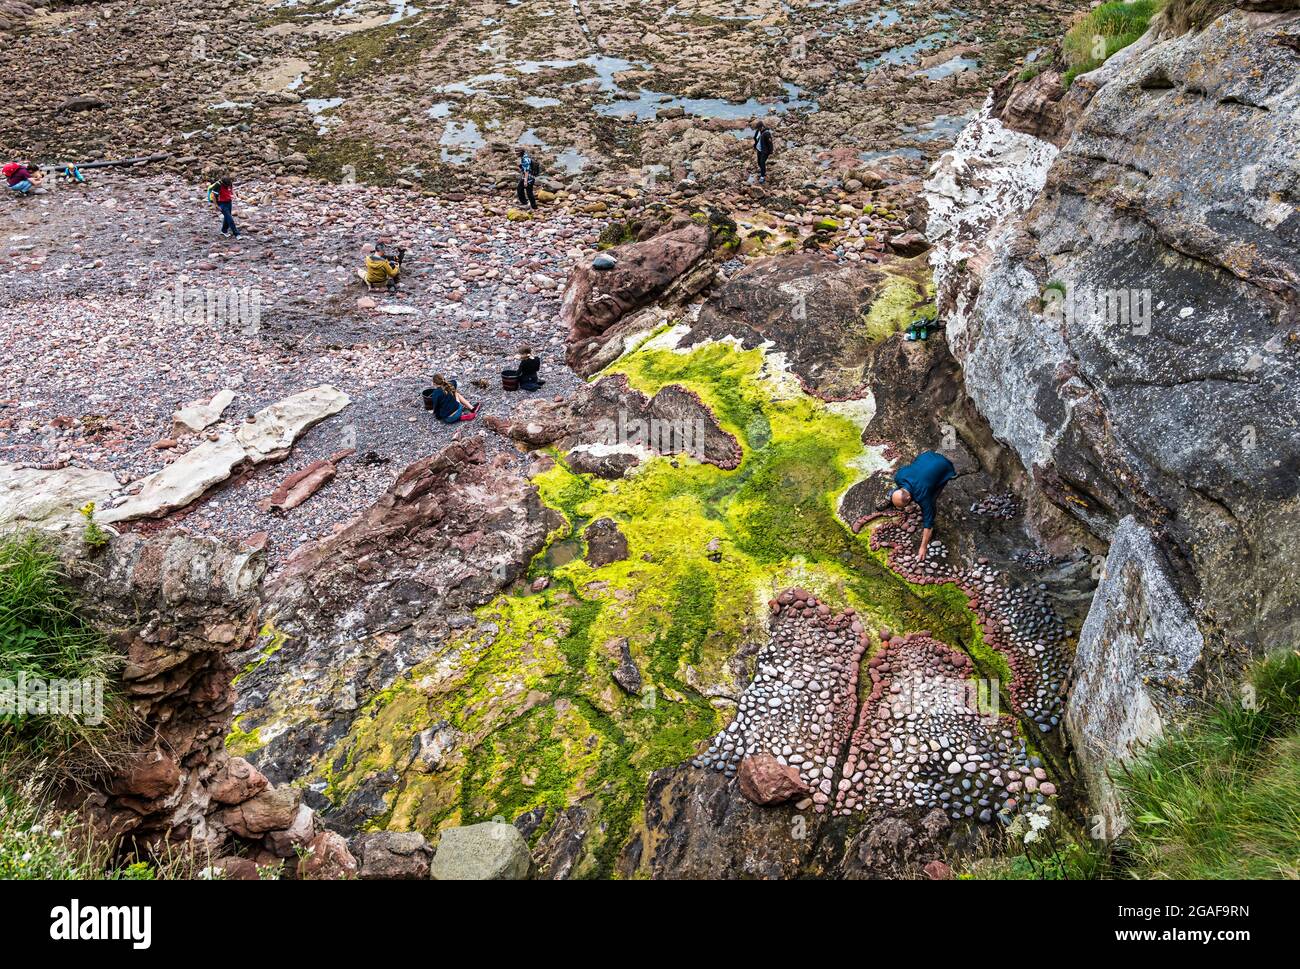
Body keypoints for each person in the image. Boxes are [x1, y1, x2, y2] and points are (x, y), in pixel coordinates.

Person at [882, 450, 956, 561]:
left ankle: (943, 476)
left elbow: (927, 524)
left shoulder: (923, 496)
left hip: (945, 465)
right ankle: (892, 499)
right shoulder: (899, 477)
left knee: (932, 500)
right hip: (927, 455)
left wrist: (923, 547)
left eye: (904, 506)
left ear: (908, 499)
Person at [753, 121, 774, 185]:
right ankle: (763, 171)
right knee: (759, 162)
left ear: (762, 127)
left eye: (758, 128)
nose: (758, 129)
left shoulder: (767, 133)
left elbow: (770, 143)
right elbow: (756, 138)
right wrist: (755, 145)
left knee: (762, 162)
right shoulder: (758, 131)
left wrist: (770, 151)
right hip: (759, 149)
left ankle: (762, 176)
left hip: (764, 151)